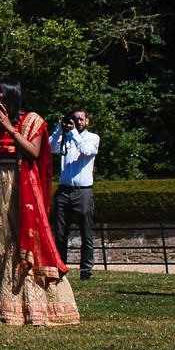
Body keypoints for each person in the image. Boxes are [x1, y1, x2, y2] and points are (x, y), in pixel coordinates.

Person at [0, 80, 80, 326]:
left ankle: (33, 304)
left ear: (12, 95)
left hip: (20, 183)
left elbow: (33, 152)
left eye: (0, 91)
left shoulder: (32, 120)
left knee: (22, 239)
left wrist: (10, 129)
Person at [51, 109, 99, 281]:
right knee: (60, 232)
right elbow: (50, 148)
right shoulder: (65, 137)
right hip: (64, 190)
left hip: (83, 191)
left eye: (81, 119)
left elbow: (87, 151)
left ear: (87, 121)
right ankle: (60, 266)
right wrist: (59, 128)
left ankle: (86, 270)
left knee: (86, 232)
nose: (77, 122)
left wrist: (73, 133)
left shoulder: (92, 137)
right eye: (74, 119)